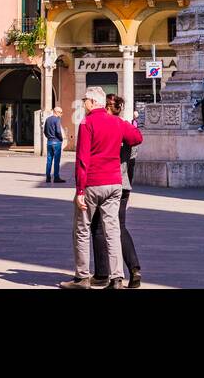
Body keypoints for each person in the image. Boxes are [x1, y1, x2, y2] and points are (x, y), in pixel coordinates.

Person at [61, 86, 144, 290]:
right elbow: (136, 138)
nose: (83, 104)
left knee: (81, 229)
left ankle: (82, 278)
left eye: (85, 101)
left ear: (92, 102)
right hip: (115, 183)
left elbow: (82, 159)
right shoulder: (117, 122)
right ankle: (117, 278)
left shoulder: (87, 123)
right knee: (113, 230)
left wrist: (80, 190)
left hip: (93, 183)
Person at [90, 94, 142, 288]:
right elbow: (133, 156)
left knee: (97, 226)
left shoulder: (107, 125)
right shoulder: (126, 127)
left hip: (106, 181)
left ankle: (102, 272)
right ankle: (135, 269)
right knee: (119, 227)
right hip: (123, 183)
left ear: (107, 107)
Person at [43, 105, 65, 183]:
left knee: (49, 160)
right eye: (61, 112)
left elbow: (45, 131)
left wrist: (49, 137)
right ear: (57, 112)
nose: (61, 114)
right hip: (57, 142)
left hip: (49, 142)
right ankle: (56, 177)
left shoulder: (48, 119)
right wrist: (61, 139)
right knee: (56, 161)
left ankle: (48, 177)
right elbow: (58, 131)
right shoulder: (57, 120)